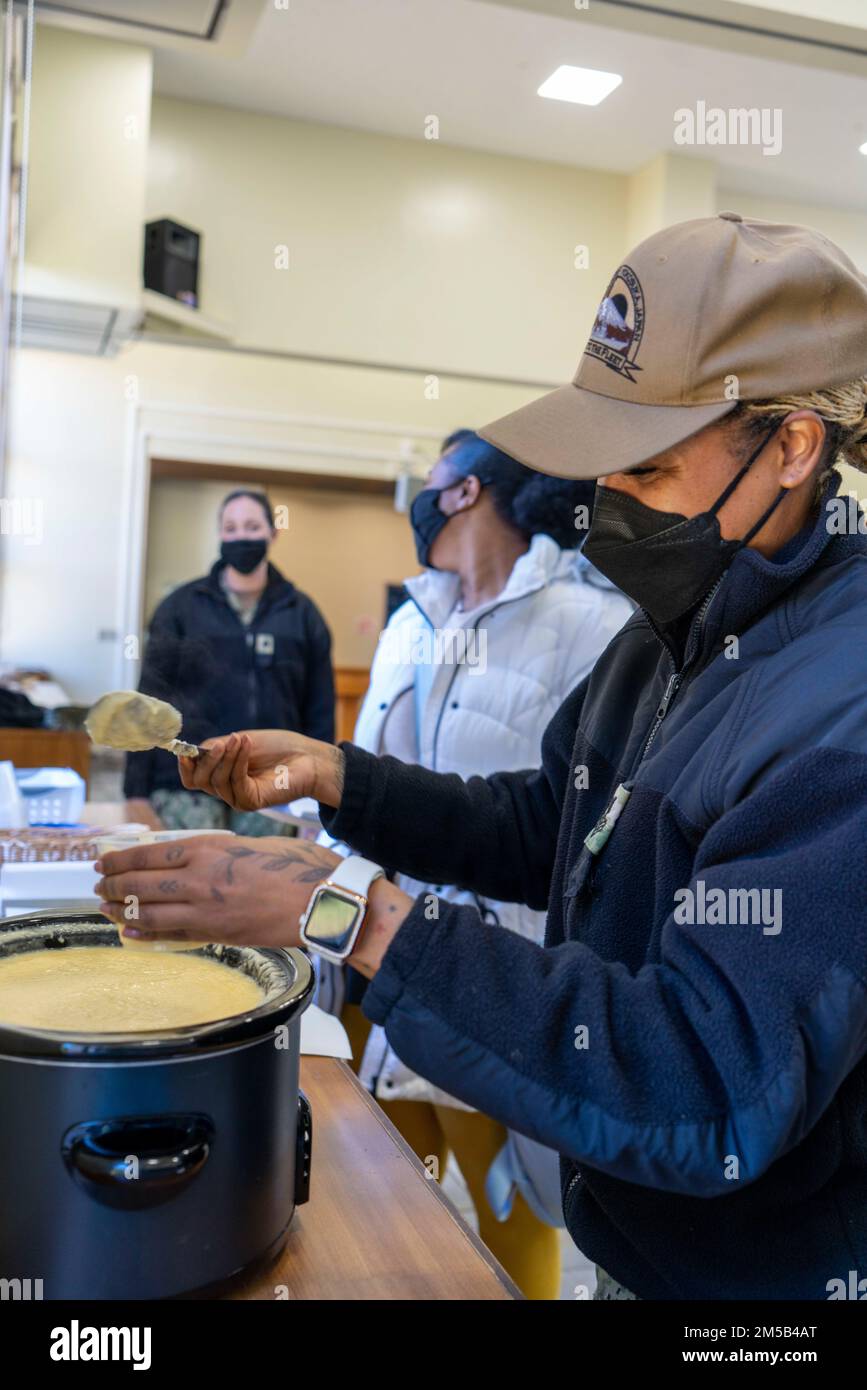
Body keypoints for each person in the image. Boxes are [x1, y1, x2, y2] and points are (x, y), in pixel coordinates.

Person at [97, 214, 867, 1301]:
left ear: (791, 447)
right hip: (634, 1241)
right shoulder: (664, 642)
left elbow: (703, 1080)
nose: (607, 509)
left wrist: (348, 912)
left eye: (646, 467)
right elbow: (546, 826)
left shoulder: (844, 705)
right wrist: (339, 776)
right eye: (601, 471)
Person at [318, 427, 632, 1299]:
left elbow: (568, 823)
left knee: (511, 1214)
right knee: (372, 1202)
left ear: (465, 491)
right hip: (377, 963)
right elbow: (371, 783)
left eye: (429, 480)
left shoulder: (589, 624)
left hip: (498, 972)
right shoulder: (412, 617)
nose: (417, 497)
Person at [123, 488, 334, 834]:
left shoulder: (302, 615)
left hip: (271, 781)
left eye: (252, 527)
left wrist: (318, 795)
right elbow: (149, 698)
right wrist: (135, 791)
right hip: (187, 780)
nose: (241, 536)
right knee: (190, 880)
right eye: (231, 528)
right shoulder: (180, 608)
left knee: (262, 882)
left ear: (272, 532)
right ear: (220, 534)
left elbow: (319, 710)